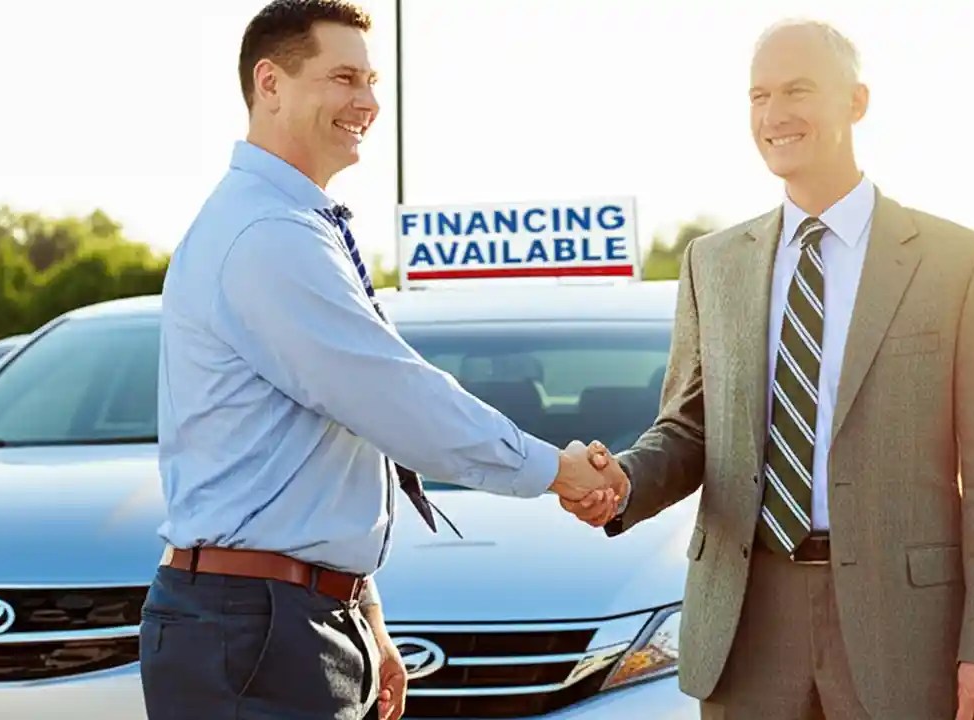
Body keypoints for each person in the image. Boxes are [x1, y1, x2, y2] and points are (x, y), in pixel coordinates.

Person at [140, 2, 618, 719]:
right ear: (269, 83)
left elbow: (326, 454)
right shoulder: (267, 233)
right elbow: (392, 397)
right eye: (342, 77)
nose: (367, 102)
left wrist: (364, 614)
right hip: (255, 632)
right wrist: (554, 470)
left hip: (277, 621)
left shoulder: (288, 224)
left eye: (370, 80)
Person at [564, 18, 974, 720]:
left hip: (905, 628)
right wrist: (627, 478)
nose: (774, 115)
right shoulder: (713, 263)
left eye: (797, 90)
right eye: (758, 96)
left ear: (856, 102)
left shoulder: (958, 263)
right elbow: (691, 427)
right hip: (747, 620)